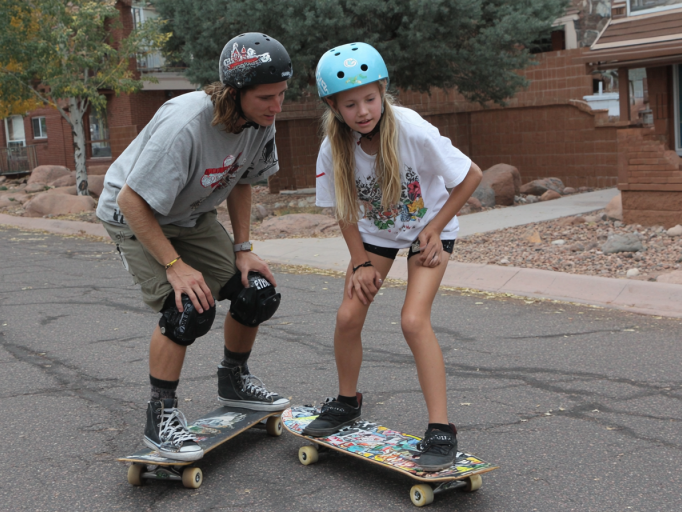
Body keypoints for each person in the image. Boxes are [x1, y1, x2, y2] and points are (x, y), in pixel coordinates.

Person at [96, 33, 293, 462]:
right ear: (235, 92)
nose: (276, 106)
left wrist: (243, 247)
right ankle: (160, 416)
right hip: (133, 214)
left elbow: (243, 178)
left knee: (255, 290)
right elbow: (131, 201)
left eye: (281, 94)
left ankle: (234, 379)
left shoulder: (260, 120)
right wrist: (174, 265)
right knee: (189, 307)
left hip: (187, 214)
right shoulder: (185, 123)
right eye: (265, 97)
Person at [304, 42, 483, 471]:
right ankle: (347, 402)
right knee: (348, 316)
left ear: (383, 91)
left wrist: (435, 228)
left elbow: (471, 176)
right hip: (376, 233)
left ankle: (441, 429)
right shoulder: (334, 147)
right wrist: (361, 262)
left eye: (370, 98)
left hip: (429, 229)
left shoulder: (410, 129)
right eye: (350, 104)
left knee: (413, 320)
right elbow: (344, 209)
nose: (363, 110)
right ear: (334, 106)